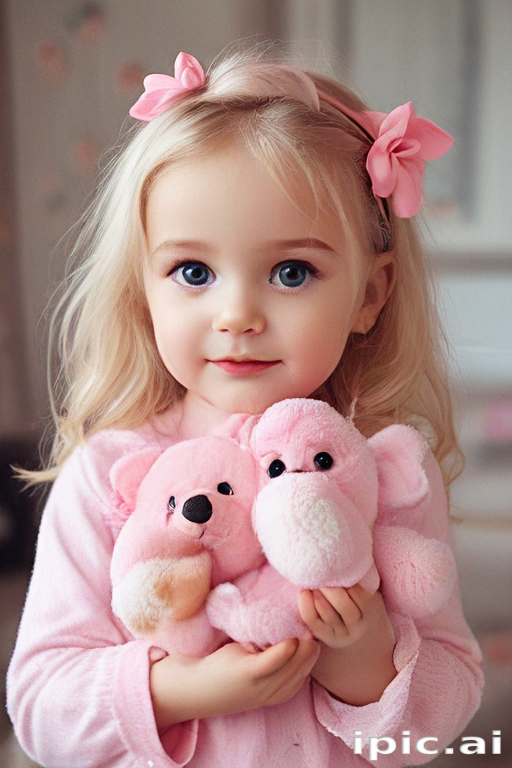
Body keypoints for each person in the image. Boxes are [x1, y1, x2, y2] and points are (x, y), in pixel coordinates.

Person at [7, 44, 483, 767]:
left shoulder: (384, 471)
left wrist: (361, 659)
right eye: (192, 271)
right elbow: (42, 707)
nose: (237, 313)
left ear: (370, 295)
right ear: (145, 287)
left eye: (292, 272)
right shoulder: (110, 475)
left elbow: (444, 705)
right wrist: (179, 690)